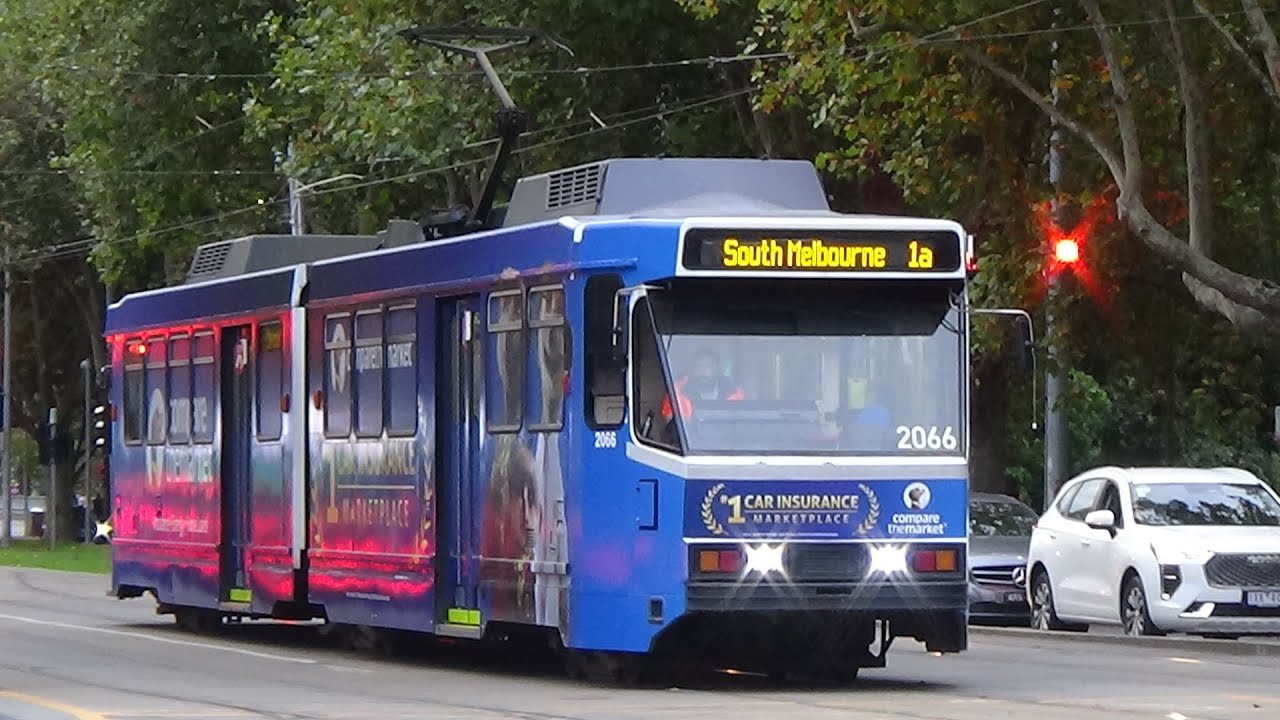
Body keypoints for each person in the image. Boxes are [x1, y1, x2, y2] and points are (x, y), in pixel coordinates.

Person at [660, 348, 745, 421]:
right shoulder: (676, 392)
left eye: (707, 367)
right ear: (692, 368)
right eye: (698, 367)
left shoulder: (735, 393)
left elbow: (739, 426)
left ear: (717, 368)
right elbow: (670, 423)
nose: (702, 371)